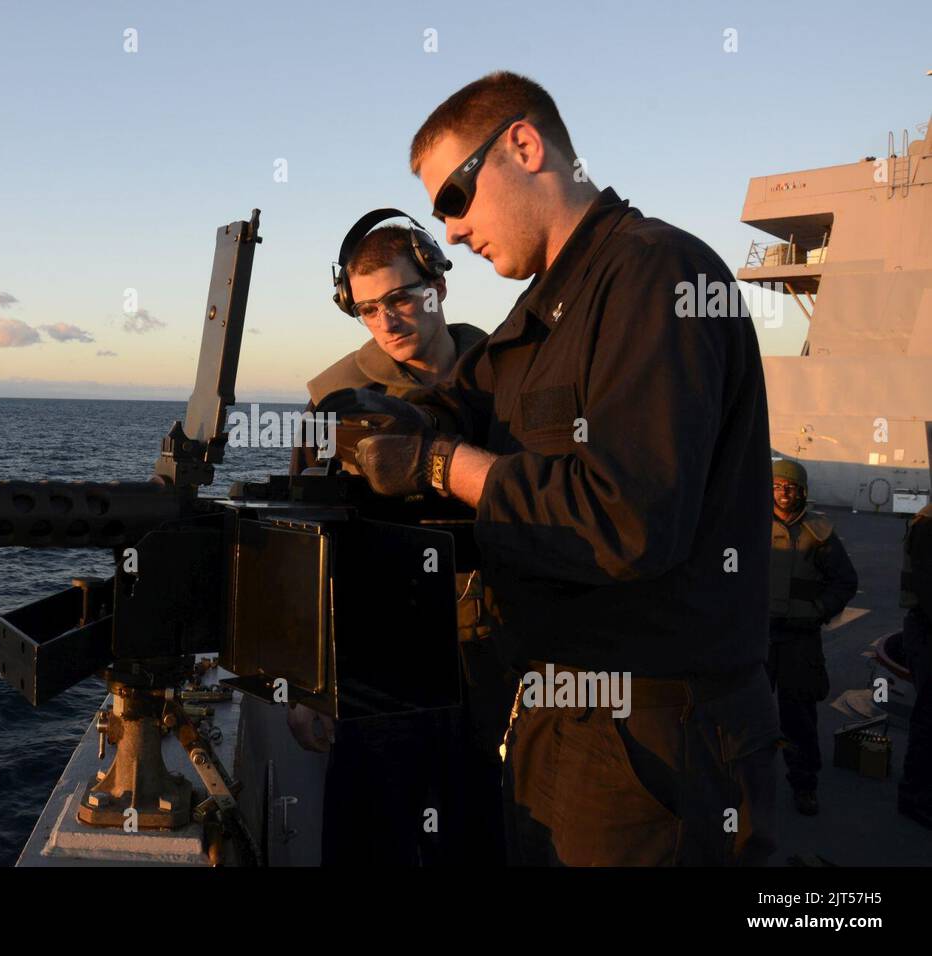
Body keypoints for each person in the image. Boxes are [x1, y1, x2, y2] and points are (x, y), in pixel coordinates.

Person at [319, 70, 780, 865]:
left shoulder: (657, 275)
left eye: (455, 200)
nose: (453, 235)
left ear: (524, 146)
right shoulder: (540, 313)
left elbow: (627, 519)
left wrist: (439, 465)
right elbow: (456, 405)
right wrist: (364, 427)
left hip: (657, 739)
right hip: (555, 712)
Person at [288, 214, 507, 865]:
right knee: (370, 840)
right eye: (367, 309)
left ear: (439, 280)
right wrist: (308, 685)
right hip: (382, 659)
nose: (388, 320)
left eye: (403, 297)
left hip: (498, 652)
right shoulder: (335, 401)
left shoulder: (508, 377)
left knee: (486, 837)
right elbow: (305, 544)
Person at [766, 458, 858, 816]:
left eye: (790, 487)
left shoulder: (820, 534)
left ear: (802, 492)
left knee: (799, 717)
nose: (783, 493)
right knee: (747, 712)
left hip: (799, 640)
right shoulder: (751, 526)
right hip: (758, 637)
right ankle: (741, 784)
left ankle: (804, 784)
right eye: (776, 486)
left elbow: (845, 582)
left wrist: (818, 609)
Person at [898, 501, 932, 829]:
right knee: (928, 719)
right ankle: (914, 797)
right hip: (926, 631)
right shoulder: (926, 526)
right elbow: (926, 586)